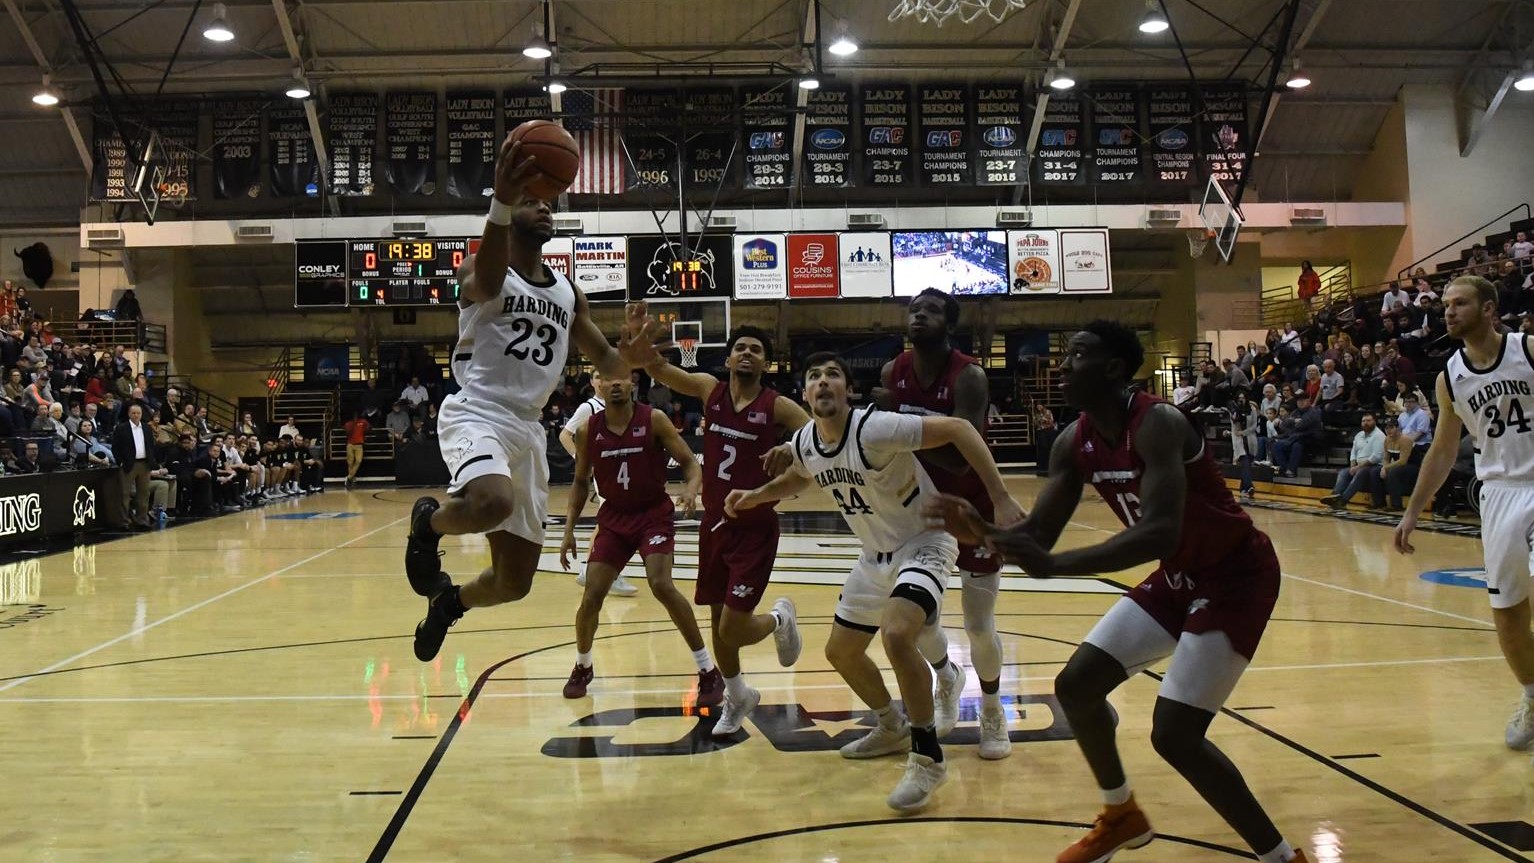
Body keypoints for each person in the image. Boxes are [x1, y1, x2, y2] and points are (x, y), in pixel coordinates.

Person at [925, 321, 1306, 863]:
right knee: (1077, 686)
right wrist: (983, 532)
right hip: (1180, 576)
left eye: (1077, 355)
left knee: (1175, 735)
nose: (1062, 366)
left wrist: (1054, 564)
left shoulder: (1158, 423)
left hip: (1236, 577)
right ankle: (1122, 815)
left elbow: (1159, 533)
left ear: (1113, 368)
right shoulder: (1072, 440)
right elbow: (1038, 539)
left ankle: (1283, 858)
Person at [403, 134, 664, 663]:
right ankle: (427, 524)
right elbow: (488, 280)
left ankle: (450, 604)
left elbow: (607, 362)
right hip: (478, 410)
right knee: (492, 502)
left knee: (513, 583)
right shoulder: (478, 269)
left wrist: (633, 358)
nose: (543, 207)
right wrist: (501, 200)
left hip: (528, 427)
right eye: (530, 201)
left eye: (547, 202)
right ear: (508, 209)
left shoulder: (568, 292)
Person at [727, 353, 1024, 813]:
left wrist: (1001, 498)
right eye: (813, 376)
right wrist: (755, 496)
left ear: (848, 390)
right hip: (874, 556)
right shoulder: (805, 440)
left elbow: (961, 429)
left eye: (833, 374)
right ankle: (891, 725)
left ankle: (927, 757)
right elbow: (798, 477)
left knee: (898, 634)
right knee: (840, 652)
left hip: (925, 542)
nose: (823, 382)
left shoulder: (876, 428)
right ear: (803, 394)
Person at [634, 320, 810, 733]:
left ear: (766, 364)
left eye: (756, 350)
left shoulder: (777, 406)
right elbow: (662, 371)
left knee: (733, 627)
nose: (747, 353)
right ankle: (738, 694)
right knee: (717, 621)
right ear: (729, 358)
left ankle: (780, 620)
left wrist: (790, 447)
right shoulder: (708, 389)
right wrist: (644, 354)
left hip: (754, 528)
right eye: (741, 348)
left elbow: (821, 437)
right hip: (714, 524)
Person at [1395, 275, 1534, 753]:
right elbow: (1441, 450)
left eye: (1460, 303)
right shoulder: (1450, 377)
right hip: (1498, 494)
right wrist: (1412, 512)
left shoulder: (1527, 350)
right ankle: (1532, 696)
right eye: (1445, 305)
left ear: (1490, 309)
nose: (1449, 312)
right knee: (1507, 612)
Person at [876, 288, 1010, 759]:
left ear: (949, 323)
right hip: (919, 512)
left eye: (930, 310)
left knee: (978, 625)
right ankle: (947, 677)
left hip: (971, 509)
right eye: (914, 309)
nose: (919, 316)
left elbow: (959, 459)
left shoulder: (969, 376)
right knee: (919, 623)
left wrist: (897, 424)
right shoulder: (893, 371)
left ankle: (991, 709)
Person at [558, 370, 715, 699]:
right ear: (599, 384)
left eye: (622, 377)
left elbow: (690, 463)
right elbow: (580, 481)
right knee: (591, 596)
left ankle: (707, 669)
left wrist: (691, 489)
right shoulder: (588, 430)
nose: (615, 383)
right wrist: (569, 529)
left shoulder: (653, 419)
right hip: (614, 518)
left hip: (652, 515)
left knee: (661, 584)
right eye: (608, 377)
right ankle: (583, 665)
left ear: (632, 383)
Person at [556, 370, 638, 598]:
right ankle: (603, 570)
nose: (603, 380)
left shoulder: (620, 405)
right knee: (611, 519)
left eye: (606, 376)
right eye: (598, 377)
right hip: (604, 471)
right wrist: (581, 459)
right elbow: (564, 435)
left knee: (608, 521)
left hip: (621, 470)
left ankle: (592, 568)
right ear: (592, 383)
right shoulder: (588, 407)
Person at [1321, 413, 1385, 509]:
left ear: (1374, 422)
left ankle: (1343, 500)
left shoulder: (1379, 436)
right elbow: (1353, 452)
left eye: (1368, 421)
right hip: (1359, 465)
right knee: (1343, 472)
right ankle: (1334, 495)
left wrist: (1358, 467)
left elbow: (1376, 457)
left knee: (1360, 472)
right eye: (1363, 421)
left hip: (1375, 465)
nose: (1365, 423)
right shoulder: (1359, 435)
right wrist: (1352, 465)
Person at [111, 402, 158, 530]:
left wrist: (152, 460)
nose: (136, 415)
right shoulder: (122, 428)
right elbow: (115, 447)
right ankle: (124, 522)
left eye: (138, 413)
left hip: (144, 464)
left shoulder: (147, 428)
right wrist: (120, 462)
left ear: (141, 414)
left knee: (143, 494)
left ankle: (142, 520)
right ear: (129, 414)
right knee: (124, 494)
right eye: (133, 413)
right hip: (128, 464)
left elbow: (151, 446)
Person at [343, 410, 369, 490]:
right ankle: (351, 479)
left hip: (359, 445)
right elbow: (346, 432)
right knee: (350, 463)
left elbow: (368, 428)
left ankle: (349, 477)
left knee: (358, 461)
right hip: (350, 444)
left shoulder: (363, 422)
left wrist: (364, 434)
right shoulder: (348, 424)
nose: (355, 416)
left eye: (356, 415)